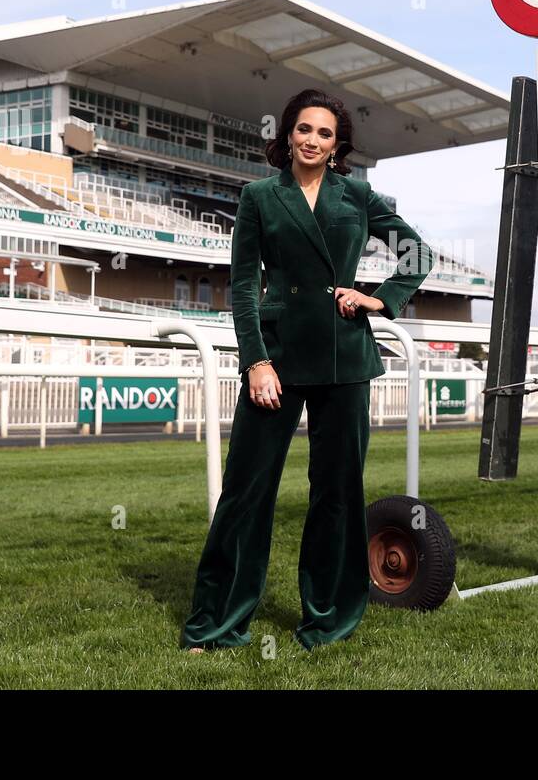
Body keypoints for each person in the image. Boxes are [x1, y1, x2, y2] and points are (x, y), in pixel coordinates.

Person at [182, 88, 433, 652]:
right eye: (303, 130)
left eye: (325, 133)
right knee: (245, 492)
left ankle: (328, 620)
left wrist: (378, 299)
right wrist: (256, 363)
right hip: (276, 358)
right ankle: (218, 623)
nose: (313, 141)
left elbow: (417, 254)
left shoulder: (359, 196)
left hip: (346, 359)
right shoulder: (259, 197)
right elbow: (244, 287)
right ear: (286, 135)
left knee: (337, 493)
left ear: (337, 144)